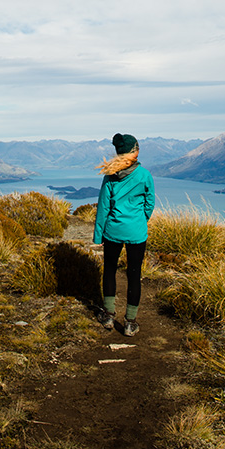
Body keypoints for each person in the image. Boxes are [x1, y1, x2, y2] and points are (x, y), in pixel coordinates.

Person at [93, 132, 155, 337]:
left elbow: (103, 206)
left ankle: (109, 315)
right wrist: (139, 220)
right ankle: (130, 323)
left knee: (109, 271)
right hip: (136, 232)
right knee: (134, 274)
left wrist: (98, 235)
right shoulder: (145, 175)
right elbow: (149, 203)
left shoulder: (110, 175)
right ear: (134, 151)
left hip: (113, 230)